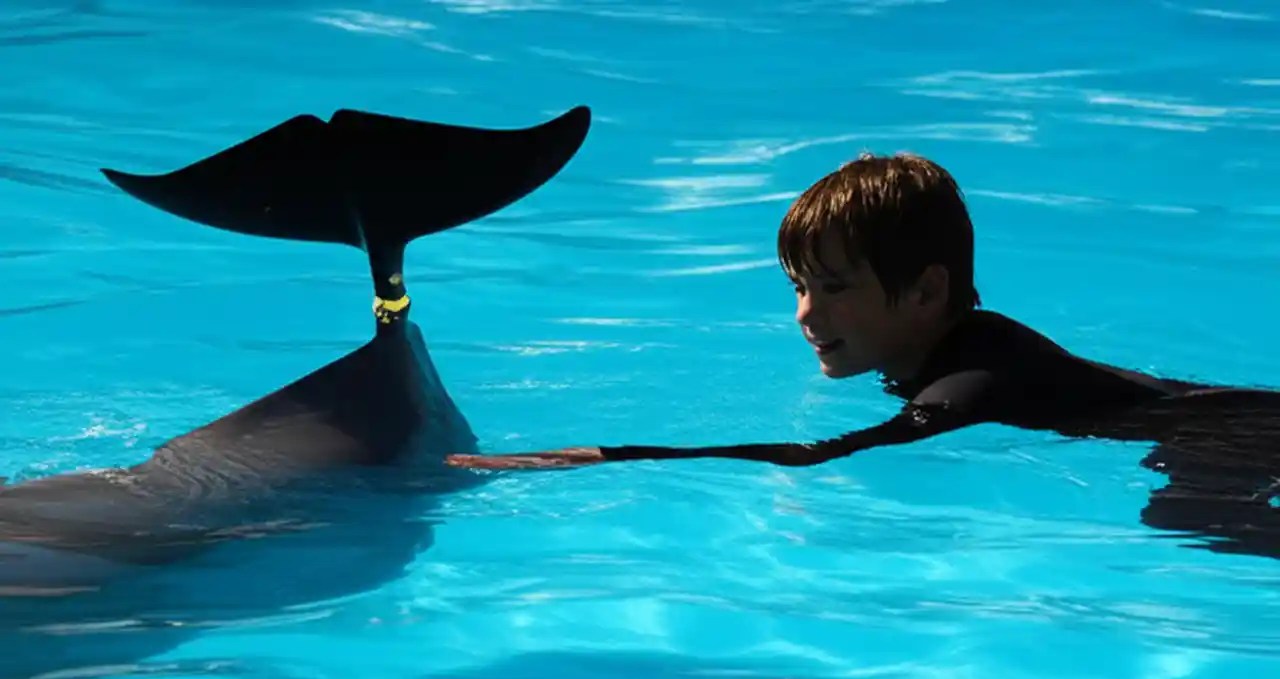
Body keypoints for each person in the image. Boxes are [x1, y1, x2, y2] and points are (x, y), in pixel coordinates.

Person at [446, 152, 1280, 557]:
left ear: (923, 292)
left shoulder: (971, 376)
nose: (808, 314)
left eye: (835, 288)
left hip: (1231, 433)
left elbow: (818, 456)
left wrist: (605, 455)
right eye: (798, 288)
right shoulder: (955, 349)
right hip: (1218, 420)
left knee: (1182, 518)